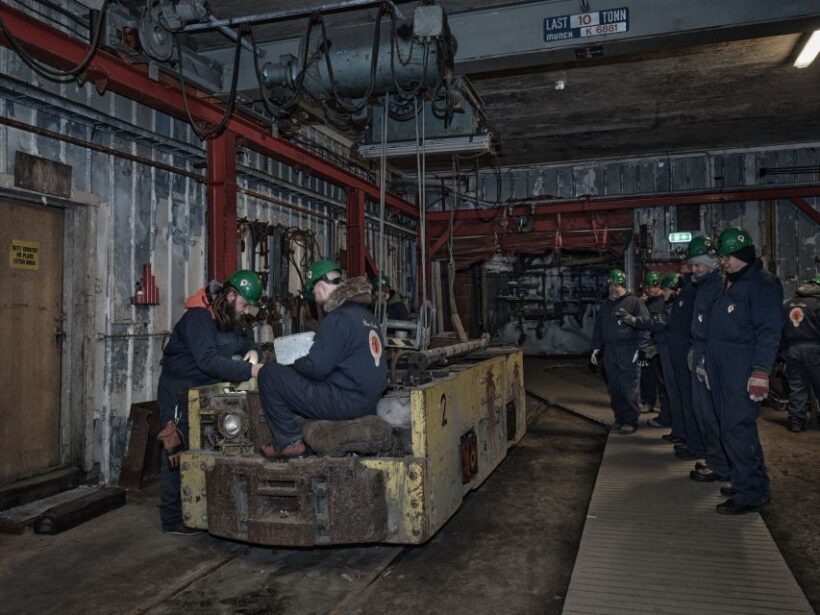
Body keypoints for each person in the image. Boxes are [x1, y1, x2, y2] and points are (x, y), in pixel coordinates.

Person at [156, 270, 263, 534]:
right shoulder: (199, 318)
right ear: (230, 294)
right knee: (176, 451)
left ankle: (208, 508)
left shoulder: (231, 316)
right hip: (180, 392)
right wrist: (249, 371)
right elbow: (207, 360)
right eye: (244, 303)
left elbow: (247, 342)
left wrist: (253, 351)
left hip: (210, 390)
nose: (246, 310)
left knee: (212, 448)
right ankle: (172, 520)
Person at [258, 261, 388, 457]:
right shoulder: (367, 317)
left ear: (319, 287)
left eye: (314, 294)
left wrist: (294, 364)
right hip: (368, 401)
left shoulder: (338, 318)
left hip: (345, 401)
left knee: (270, 374)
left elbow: (316, 367)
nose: (316, 300)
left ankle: (288, 441)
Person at [707, 228, 782, 515]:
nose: (723, 263)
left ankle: (751, 492)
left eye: (728, 258)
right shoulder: (730, 283)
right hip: (722, 366)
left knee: (738, 428)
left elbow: (768, 330)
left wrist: (761, 370)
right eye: (721, 258)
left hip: (741, 367)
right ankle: (745, 480)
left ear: (743, 254)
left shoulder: (762, 284)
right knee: (729, 427)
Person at [686, 236, 731, 484]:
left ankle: (722, 466)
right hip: (701, 350)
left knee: (713, 414)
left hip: (710, 354)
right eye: (692, 265)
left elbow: (717, 327)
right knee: (702, 412)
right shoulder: (704, 287)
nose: (694, 270)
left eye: (698, 265)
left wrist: (706, 360)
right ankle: (715, 459)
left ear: (712, 262)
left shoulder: (717, 287)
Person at [591, 268, 650, 434]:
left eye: (616, 285)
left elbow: (645, 326)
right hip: (610, 351)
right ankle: (620, 417)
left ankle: (630, 420)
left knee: (628, 387)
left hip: (629, 349)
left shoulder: (634, 302)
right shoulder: (605, 306)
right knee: (615, 387)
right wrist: (595, 348)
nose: (612, 289)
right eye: (610, 286)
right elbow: (598, 328)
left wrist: (642, 349)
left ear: (622, 285)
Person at [782, 274, 820, 432]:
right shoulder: (817, 303)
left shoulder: (789, 302)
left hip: (792, 349)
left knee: (797, 387)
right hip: (814, 349)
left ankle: (796, 422)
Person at [641, 271, 676, 434]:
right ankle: (663, 413)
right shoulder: (651, 302)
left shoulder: (665, 303)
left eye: (650, 287)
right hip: (656, 348)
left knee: (665, 385)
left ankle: (667, 417)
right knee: (655, 380)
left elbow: (658, 324)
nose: (647, 290)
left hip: (662, 349)